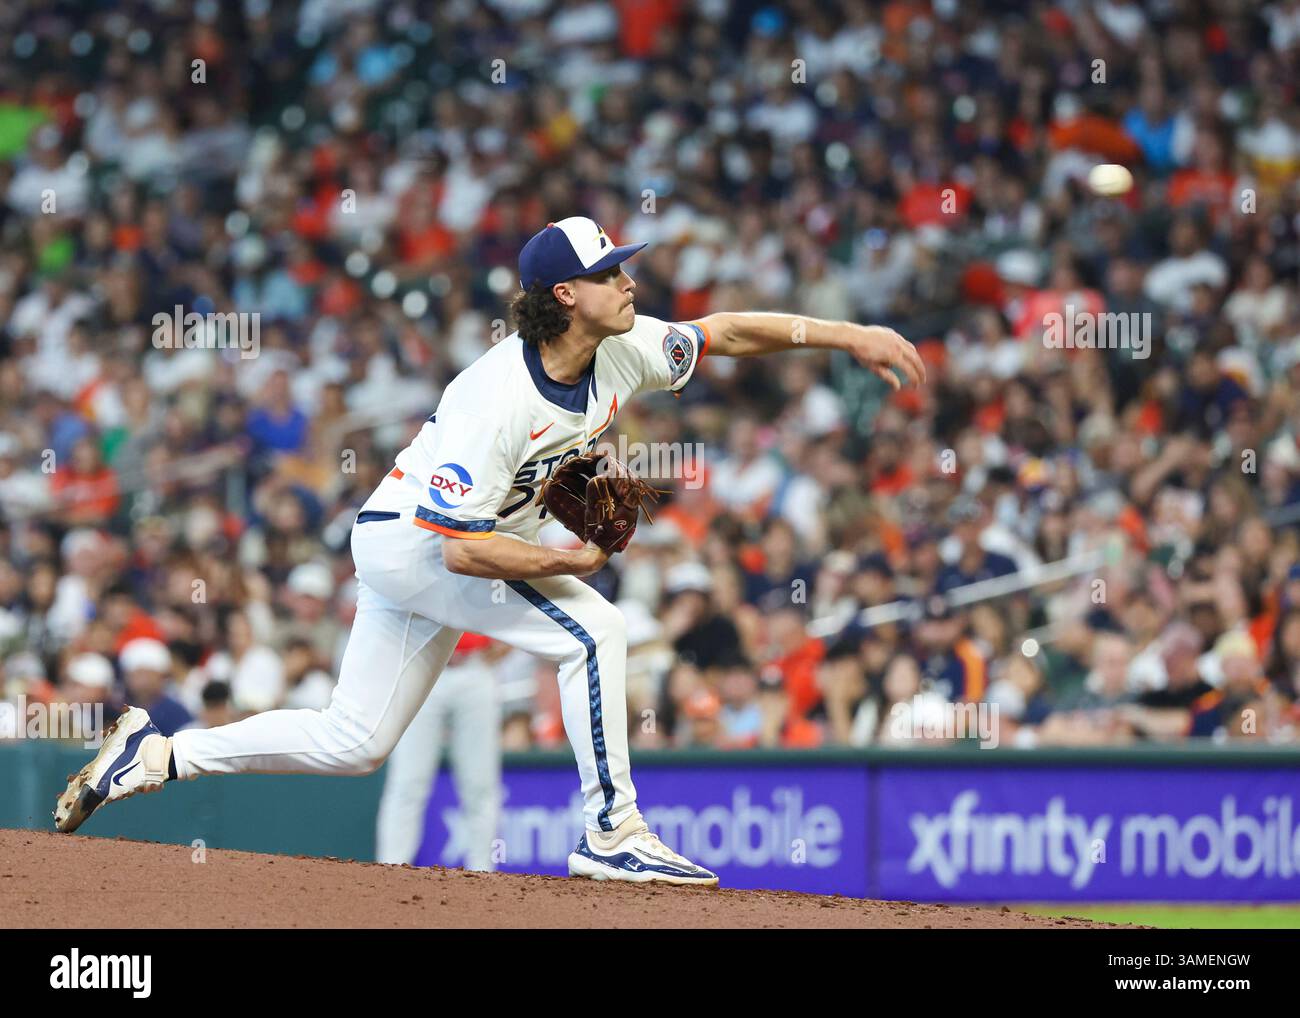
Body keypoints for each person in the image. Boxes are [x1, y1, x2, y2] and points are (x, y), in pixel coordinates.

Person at [54, 215, 924, 887]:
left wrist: (848, 336)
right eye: (609, 271)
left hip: (424, 542)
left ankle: (160, 753)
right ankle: (611, 831)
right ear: (564, 297)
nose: (629, 280)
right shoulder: (495, 396)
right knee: (595, 631)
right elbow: (463, 552)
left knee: (354, 740)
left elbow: (724, 332)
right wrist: (565, 564)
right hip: (418, 546)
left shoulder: (618, 347)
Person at [374, 632, 501, 869]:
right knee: (407, 781)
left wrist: (502, 648)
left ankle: (484, 872)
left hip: (474, 665)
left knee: (480, 784)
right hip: (424, 663)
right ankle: (391, 869)